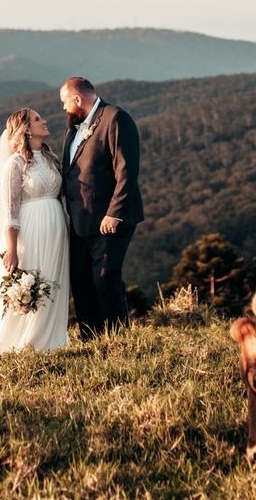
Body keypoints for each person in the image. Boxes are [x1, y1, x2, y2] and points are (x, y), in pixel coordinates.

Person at [0, 107, 70, 353]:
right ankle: (24, 339)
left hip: (56, 230)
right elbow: (9, 211)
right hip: (29, 231)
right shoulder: (15, 164)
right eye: (38, 119)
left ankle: (51, 338)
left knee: (53, 279)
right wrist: (11, 249)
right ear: (26, 129)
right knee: (31, 281)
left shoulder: (50, 158)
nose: (45, 121)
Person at [59, 76, 143, 338]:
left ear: (77, 99)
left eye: (64, 103)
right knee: (81, 280)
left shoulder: (115, 118)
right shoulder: (73, 127)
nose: (63, 109)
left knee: (105, 278)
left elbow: (127, 171)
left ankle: (117, 337)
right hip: (80, 221)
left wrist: (114, 213)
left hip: (109, 220)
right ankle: (89, 338)